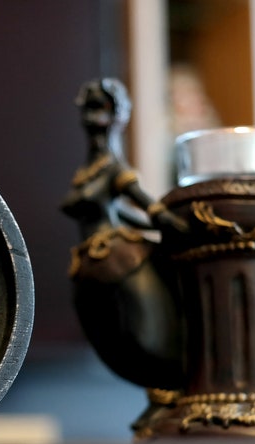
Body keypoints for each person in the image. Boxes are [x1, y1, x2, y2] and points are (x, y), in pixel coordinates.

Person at [61, 78, 183, 393]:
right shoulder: (87, 169)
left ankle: (166, 384)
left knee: (143, 331)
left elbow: (140, 202)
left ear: (116, 115)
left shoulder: (112, 167)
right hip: (88, 261)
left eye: (101, 108)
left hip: (118, 258)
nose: (93, 118)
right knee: (110, 336)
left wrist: (162, 220)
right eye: (89, 108)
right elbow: (119, 212)